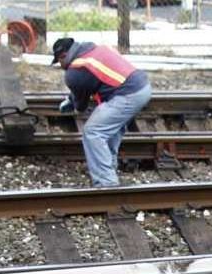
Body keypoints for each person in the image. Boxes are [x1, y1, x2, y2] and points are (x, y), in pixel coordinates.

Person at [52, 37, 152, 188]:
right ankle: (109, 168)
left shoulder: (74, 72)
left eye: (58, 61)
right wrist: (71, 98)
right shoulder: (93, 50)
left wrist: (73, 103)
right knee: (109, 130)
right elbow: (87, 81)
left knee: (93, 132)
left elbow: (81, 105)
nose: (60, 66)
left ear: (63, 56)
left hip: (128, 95)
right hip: (142, 86)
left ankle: (106, 183)